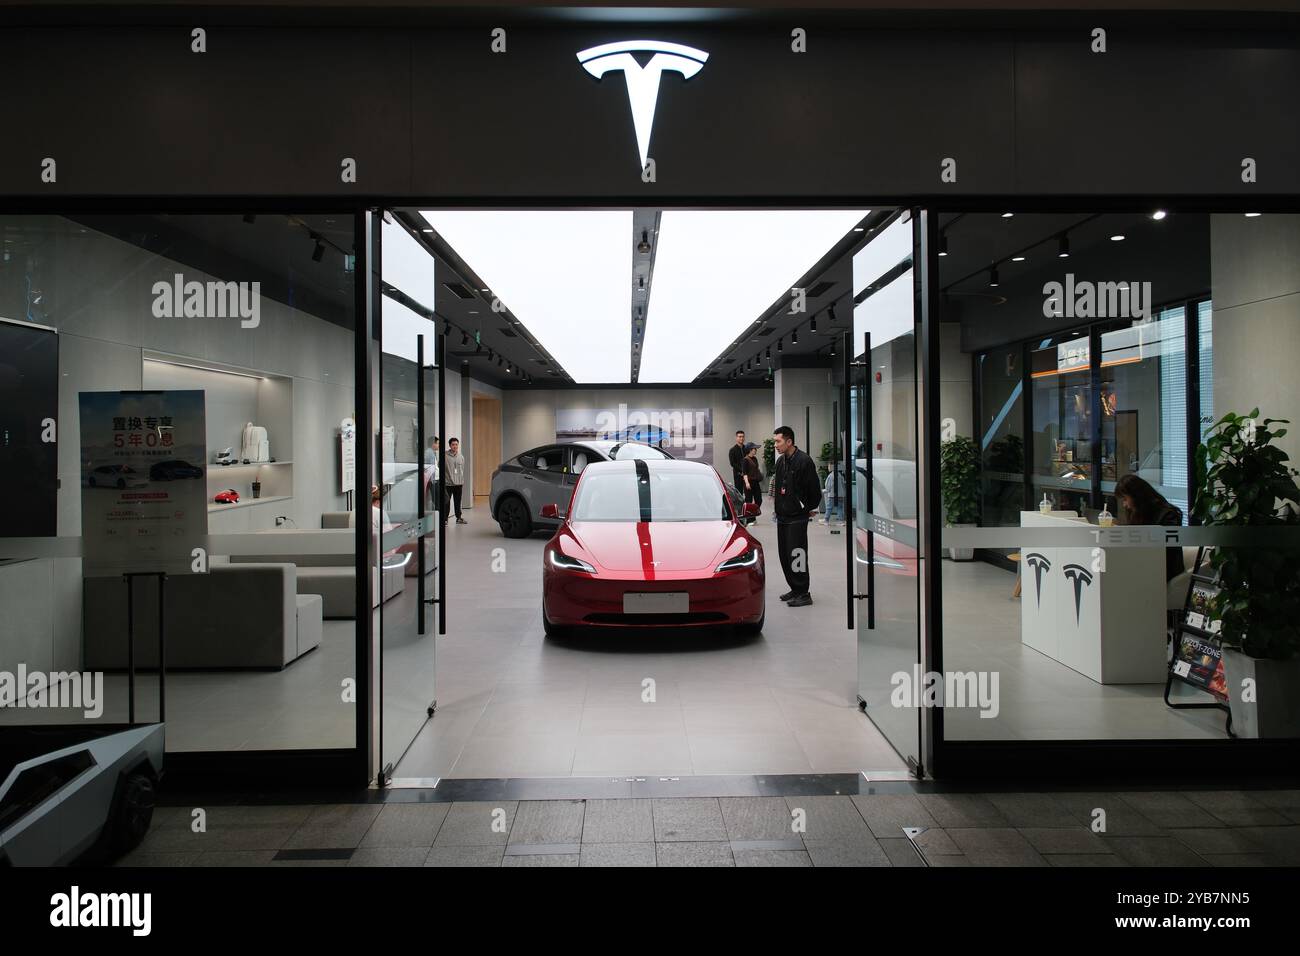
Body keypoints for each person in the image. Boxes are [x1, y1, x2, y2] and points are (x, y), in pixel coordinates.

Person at [772, 425, 822, 607]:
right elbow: (779, 489)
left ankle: (803, 592)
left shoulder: (804, 461)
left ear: (789, 441)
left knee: (797, 555)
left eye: (778, 441)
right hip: (783, 517)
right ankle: (794, 587)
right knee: (784, 555)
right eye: (774, 441)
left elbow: (815, 491)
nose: (775, 445)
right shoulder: (781, 462)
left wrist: (807, 507)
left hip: (797, 518)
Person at [1115, 472, 1184, 582]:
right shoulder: (1137, 513)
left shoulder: (1168, 514)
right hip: (1144, 564)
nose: (1125, 505)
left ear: (1136, 496)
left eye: (1125, 499)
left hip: (1163, 568)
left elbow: (1168, 549)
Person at [444, 437, 467, 525]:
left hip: (459, 484)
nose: (455, 446)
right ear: (450, 445)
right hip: (448, 483)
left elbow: (462, 469)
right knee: (446, 502)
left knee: (458, 501)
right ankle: (445, 519)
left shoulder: (461, 457)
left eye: (456, 444)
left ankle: (459, 518)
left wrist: (461, 480)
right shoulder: (445, 456)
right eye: (453, 444)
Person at [741, 441, 763, 511]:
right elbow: (744, 473)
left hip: (755, 482)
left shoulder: (755, 459)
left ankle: (753, 512)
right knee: (748, 501)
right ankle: (749, 518)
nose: (756, 450)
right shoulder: (745, 460)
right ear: (750, 450)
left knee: (759, 499)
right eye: (754, 449)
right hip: (749, 482)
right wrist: (747, 483)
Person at [423, 436, 440, 512]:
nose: (438, 445)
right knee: (436, 500)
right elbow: (429, 468)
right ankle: (438, 518)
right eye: (437, 443)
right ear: (433, 444)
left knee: (437, 499)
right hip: (433, 480)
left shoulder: (432, 453)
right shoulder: (429, 453)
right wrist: (432, 481)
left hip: (435, 479)